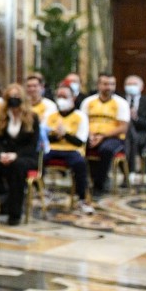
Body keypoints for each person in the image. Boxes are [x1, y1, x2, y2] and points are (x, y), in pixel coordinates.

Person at [0, 84, 40, 225]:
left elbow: (32, 145)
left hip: (25, 156)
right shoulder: (3, 116)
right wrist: (2, 153)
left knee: (17, 168)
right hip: (5, 154)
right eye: (10, 97)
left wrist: (16, 155)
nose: (13, 99)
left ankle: (14, 213)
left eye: (16, 96)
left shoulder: (32, 117)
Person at [46, 85, 94, 213]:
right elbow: (45, 138)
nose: (61, 99)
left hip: (72, 149)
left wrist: (64, 134)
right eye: (59, 96)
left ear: (73, 98)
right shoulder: (51, 116)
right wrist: (58, 135)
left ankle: (81, 198)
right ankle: (40, 191)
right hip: (52, 148)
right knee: (36, 160)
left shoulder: (80, 116)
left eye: (65, 97)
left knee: (80, 164)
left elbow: (79, 141)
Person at [80, 73, 129, 196]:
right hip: (90, 135)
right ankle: (81, 183)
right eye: (105, 84)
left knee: (106, 150)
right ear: (98, 85)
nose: (109, 87)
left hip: (113, 138)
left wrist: (102, 136)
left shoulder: (121, 103)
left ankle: (99, 185)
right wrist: (90, 135)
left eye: (112, 84)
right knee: (77, 148)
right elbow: (82, 122)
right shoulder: (88, 102)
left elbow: (123, 127)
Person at [123, 74, 146, 182]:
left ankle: (129, 172)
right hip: (122, 133)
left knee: (131, 139)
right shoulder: (120, 100)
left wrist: (136, 118)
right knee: (127, 138)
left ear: (141, 87)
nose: (131, 86)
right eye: (129, 84)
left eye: (134, 84)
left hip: (142, 134)